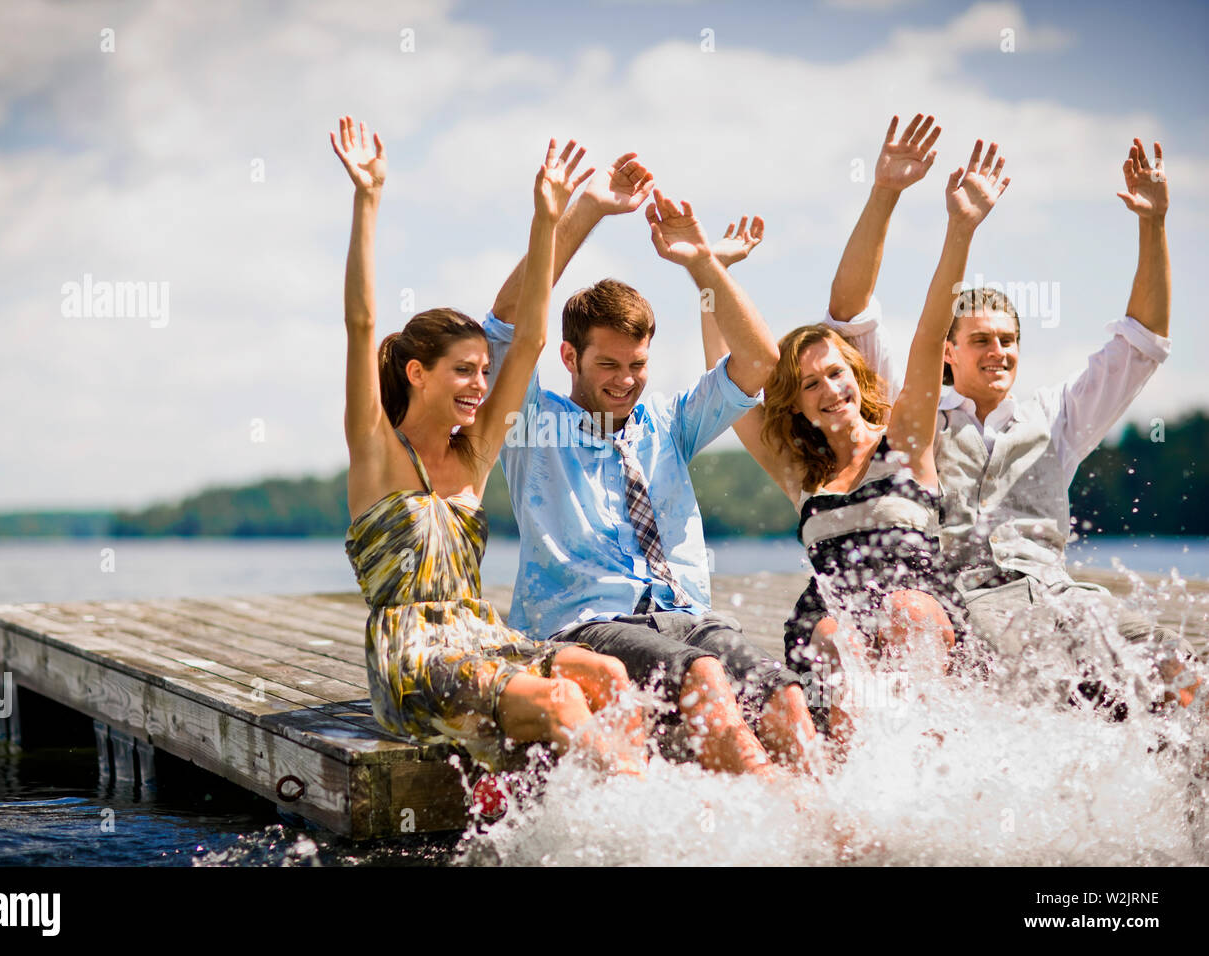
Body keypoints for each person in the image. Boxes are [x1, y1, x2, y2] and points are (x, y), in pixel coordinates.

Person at [824, 134, 1201, 712]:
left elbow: (1143, 343)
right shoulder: (911, 415)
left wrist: (1155, 225)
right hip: (962, 604)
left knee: (1178, 667)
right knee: (1070, 686)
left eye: (1008, 340)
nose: (998, 351)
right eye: (980, 340)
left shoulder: (1057, 416)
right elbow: (849, 315)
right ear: (946, 352)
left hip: (1063, 597)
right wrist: (885, 194)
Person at [483, 151, 819, 776]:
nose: (625, 381)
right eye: (607, 365)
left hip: (687, 617)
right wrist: (589, 210)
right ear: (568, 357)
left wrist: (700, 261)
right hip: (584, 627)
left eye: (637, 365)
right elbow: (504, 324)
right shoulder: (531, 422)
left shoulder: (667, 422)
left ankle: (823, 823)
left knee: (786, 697)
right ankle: (801, 827)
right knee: (707, 682)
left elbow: (761, 362)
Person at [333, 114, 645, 773]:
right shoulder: (376, 450)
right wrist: (368, 200)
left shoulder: (473, 455)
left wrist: (547, 218)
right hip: (414, 660)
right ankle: (642, 822)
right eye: (463, 371)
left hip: (482, 639)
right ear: (418, 374)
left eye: (483, 371)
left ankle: (611, 812)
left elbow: (529, 340)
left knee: (610, 673)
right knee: (560, 700)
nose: (480, 385)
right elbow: (361, 324)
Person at [701, 120, 1010, 740]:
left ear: (857, 375)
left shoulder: (907, 440)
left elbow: (929, 333)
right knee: (839, 639)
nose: (831, 391)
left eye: (837, 373)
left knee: (903, 613)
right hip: (832, 622)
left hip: (918, 609)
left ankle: (932, 763)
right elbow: (722, 384)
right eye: (811, 385)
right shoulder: (803, 472)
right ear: (797, 406)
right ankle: (856, 802)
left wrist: (960, 229)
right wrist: (711, 273)